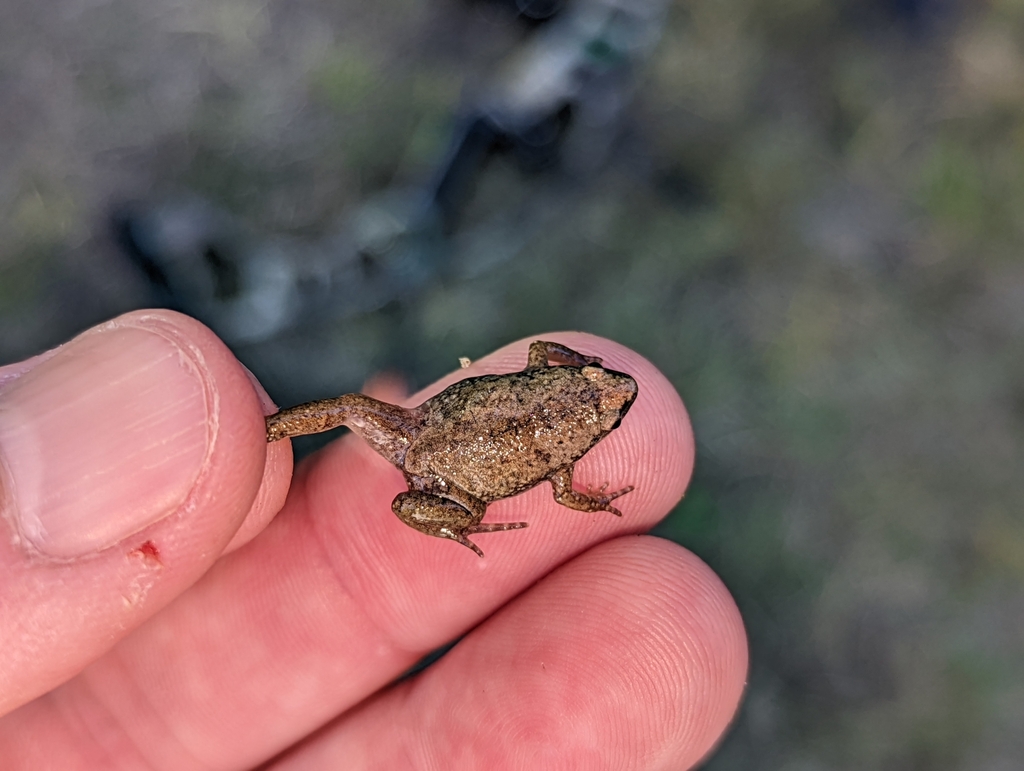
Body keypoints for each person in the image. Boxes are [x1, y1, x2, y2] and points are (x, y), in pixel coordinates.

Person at [0, 310, 747, 769]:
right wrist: (594, 494)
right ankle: (245, 443)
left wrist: (574, 377)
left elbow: (546, 350)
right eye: (608, 387)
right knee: (361, 426)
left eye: (611, 408)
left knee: (359, 415)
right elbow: (563, 490)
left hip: (430, 444)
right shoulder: (571, 450)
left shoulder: (562, 379)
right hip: (438, 443)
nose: (614, 393)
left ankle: (264, 440)